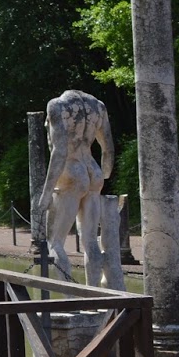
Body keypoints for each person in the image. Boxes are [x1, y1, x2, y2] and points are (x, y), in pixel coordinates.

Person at [37, 90, 115, 283]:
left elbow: (60, 150)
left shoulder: (57, 105)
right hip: (92, 170)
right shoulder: (98, 106)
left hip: (70, 172)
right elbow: (108, 148)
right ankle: (93, 298)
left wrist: (46, 193)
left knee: (55, 243)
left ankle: (69, 299)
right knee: (90, 242)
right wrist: (104, 176)